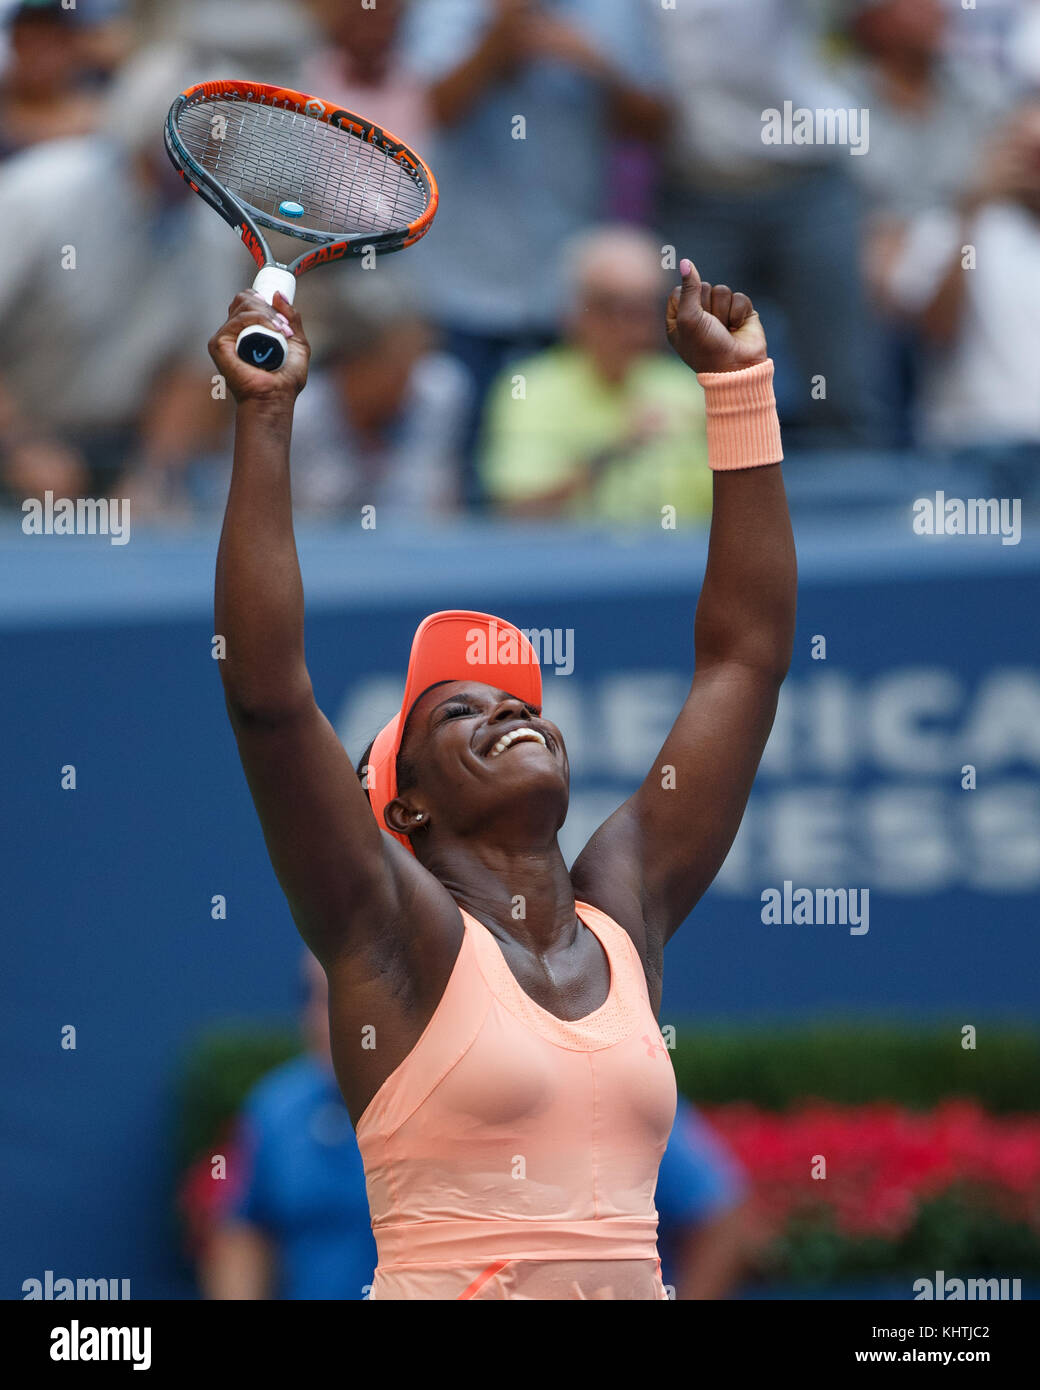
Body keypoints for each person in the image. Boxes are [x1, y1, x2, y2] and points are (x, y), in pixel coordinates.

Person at [206, 255, 796, 1298]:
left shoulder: (624, 907)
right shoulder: (390, 931)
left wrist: (738, 391)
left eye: (519, 701)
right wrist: (265, 419)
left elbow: (743, 658)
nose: (511, 708)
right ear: (406, 805)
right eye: (458, 711)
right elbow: (265, 696)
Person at [397, 0, 670, 504]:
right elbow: (438, 108)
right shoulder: (448, 9)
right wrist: (501, 31)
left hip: (571, 290)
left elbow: (656, 125)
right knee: (470, 477)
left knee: (566, 465)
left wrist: (597, 64)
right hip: (466, 288)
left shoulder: (617, 11)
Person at [479, 225, 712, 523]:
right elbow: (514, 514)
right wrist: (613, 452)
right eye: (612, 307)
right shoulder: (530, 390)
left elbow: (733, 512)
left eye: (644, 308)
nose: (633, 327)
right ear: (574, 311)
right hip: (565, 567)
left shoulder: (691, 387)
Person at [201, 953, 377, 1301]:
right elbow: (243, 1237)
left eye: (343, 993)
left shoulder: (441, 1107)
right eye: (312, 996)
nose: (324, 1015)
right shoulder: (274, 1108)